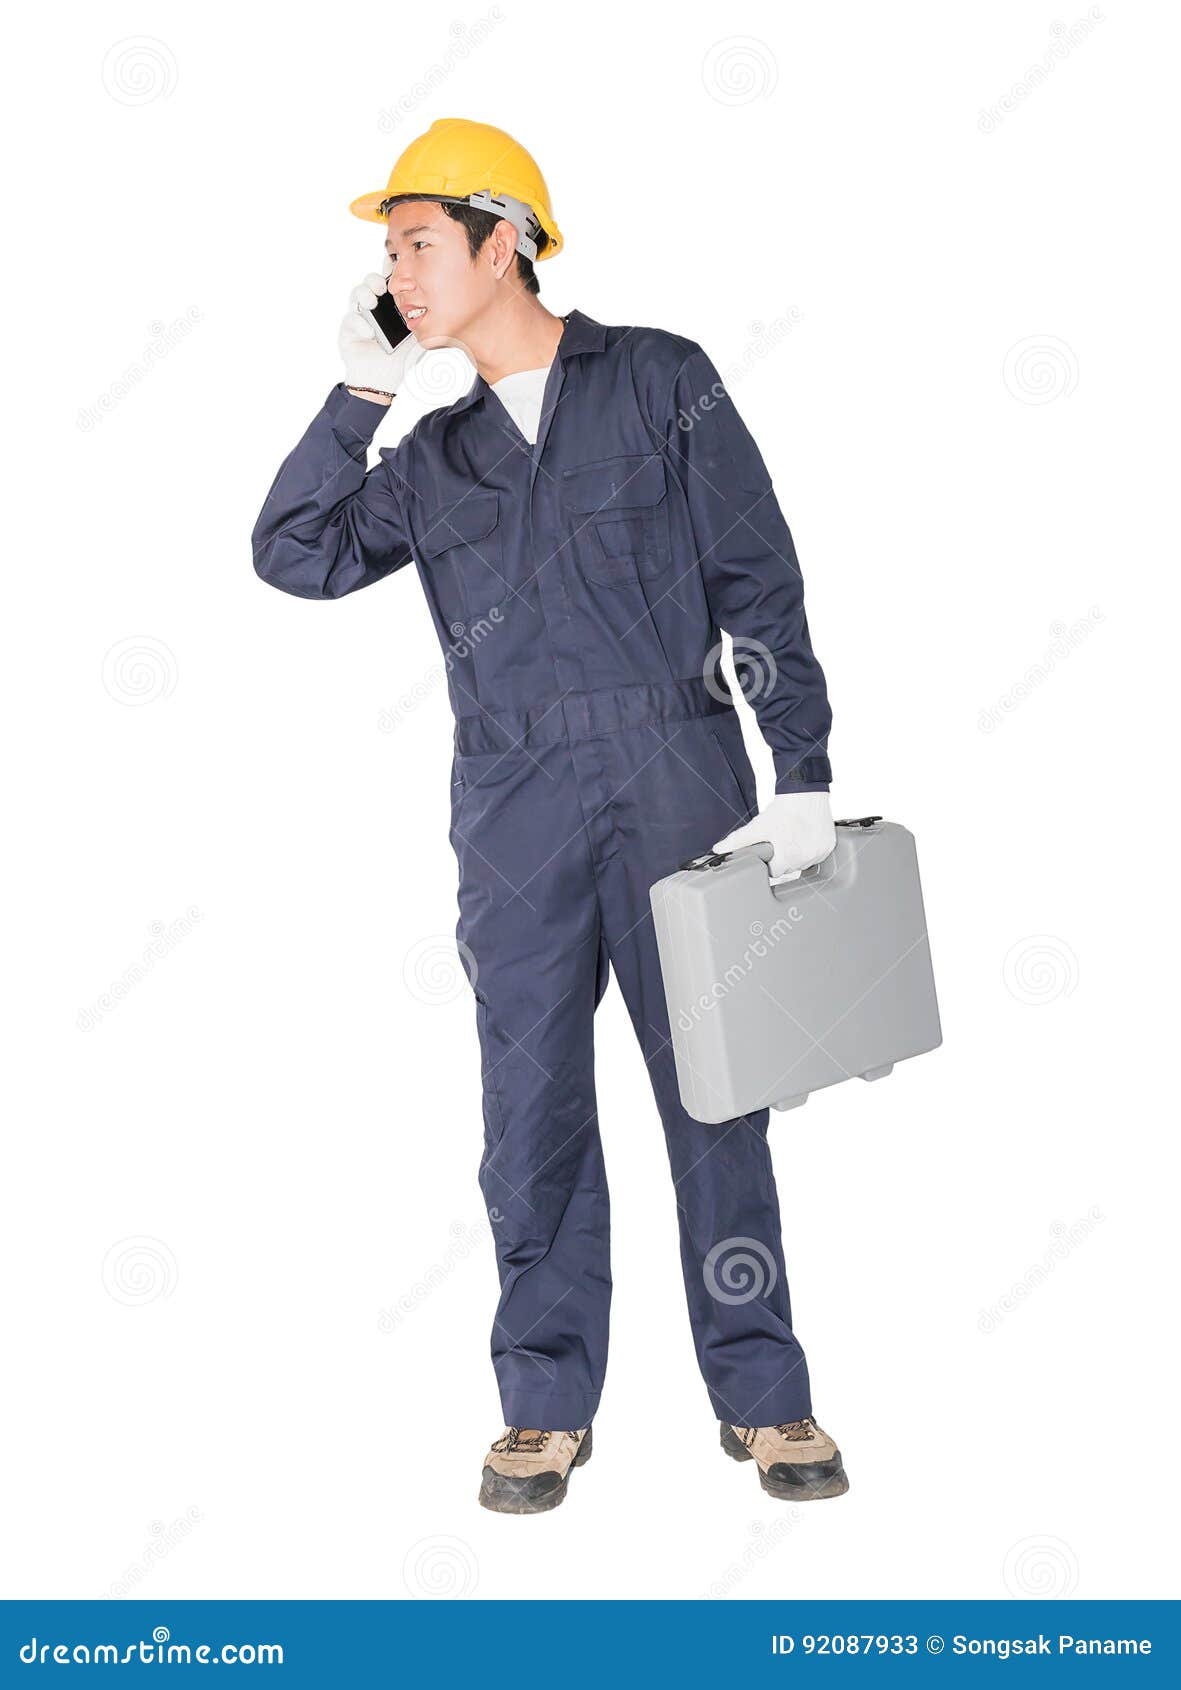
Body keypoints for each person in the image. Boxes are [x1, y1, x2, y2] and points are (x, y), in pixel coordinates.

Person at [252, 117, 848, 1514]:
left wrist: (803, 767)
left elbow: (757, 575)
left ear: (502, 234)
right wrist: (358, 397)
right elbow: (292, 553)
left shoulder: (659, 380)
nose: (393, 271)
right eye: (383, 252)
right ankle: (542, 1401)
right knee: (528, 1110)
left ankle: (764, 1396)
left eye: (413, 242)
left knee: (717, 1096)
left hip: (678, 775)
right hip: (511, 802)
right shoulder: (434, 456)